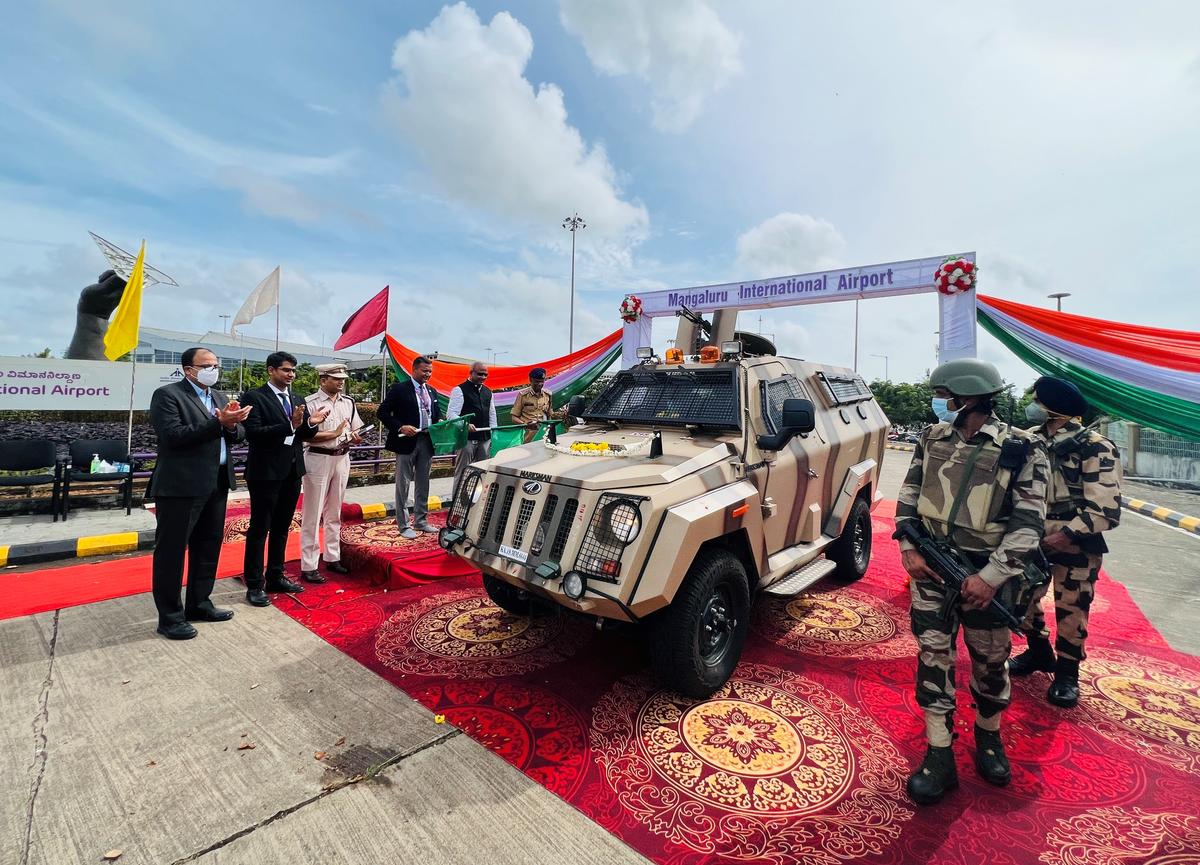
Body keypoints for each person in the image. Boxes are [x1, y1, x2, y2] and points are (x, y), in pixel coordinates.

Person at [895, 358, 1048, 805]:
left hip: (988, 580)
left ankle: (988, 737)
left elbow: (1028, 523)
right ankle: (939, 753)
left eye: (944, 394)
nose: (938, 402)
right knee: (933, 655)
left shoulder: (1020, 448)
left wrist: (992, 576)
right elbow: (909, 493)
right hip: (931, 570)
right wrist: (909, 548)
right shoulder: (932, 436)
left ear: (967, 398)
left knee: (990, 662)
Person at [1011, 375, 1122, 708]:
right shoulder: (1028, 440)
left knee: (1072, 608)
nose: (1032, 406)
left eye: (1038, 402)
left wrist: (1066, 535)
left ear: (1052, 409)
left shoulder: (1096, 446)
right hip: (1029, 537)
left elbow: (1106, 508)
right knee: (1021, 599)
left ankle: (1067, 675)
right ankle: (1039, 652)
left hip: (1076, 542)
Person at [147, 347, 251, 639]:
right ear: (187, 369)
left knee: (208, 547)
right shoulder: (168, 395)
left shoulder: (218, 397)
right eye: (206, 365)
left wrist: (230, 425)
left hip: (216, 482)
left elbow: (238, 434)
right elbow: (173, 436)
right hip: (180, 485)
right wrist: (217, 423)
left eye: (216, 365)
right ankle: (169, 616)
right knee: (171, 552)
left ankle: (200, 603)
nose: (213, 370)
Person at [240, 351, 328, 606]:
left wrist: (311, 422)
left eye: (293, 370)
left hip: (291, 471)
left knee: (282, 527)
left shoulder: (297, 398)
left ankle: (275, 575)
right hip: (265, 473)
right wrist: (290, 424)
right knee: (260, 529)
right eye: (286, 370)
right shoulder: (255, 397)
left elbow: (304, 433)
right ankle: (254, 584)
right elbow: (254, 433)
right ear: (271, 370)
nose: (291, 375)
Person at [299, 363, 365, 583]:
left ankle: (332, 556)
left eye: (342, 378)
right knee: (313, 511)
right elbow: (305, 436)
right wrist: (333, 434)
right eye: (335, 378)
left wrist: (355, 436)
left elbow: (355, 429)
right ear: (322, 379)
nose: (340, 382)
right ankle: (308, 564)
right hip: (318, 458)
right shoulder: (310, 403)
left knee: (335, 511)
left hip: (342, 457)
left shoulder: (348, 402)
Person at [379, 355, 441, 540]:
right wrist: (400, 427)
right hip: (406, 442)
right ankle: (403, 525)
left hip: (427, 441)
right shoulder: (400, 389)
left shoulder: (432, 391)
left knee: (423, 483)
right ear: (414, 370)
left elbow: (436, 415)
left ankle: (421, 521)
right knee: (403, 485)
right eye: (424, 371)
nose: (427, 374)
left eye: (430, 371)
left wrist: (440, 421)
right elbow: (382, 412)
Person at [447, 361, 497, 490]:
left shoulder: (488, 392)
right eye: (480, 374)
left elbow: (492, 414)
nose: (483, 377)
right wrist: (465, 424)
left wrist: (493, 433)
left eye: (485, 375)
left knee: (482, 472)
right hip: (466, 439)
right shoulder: (459, 390)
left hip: (485, 439)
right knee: (463, 472)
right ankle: (457, 504)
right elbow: (451, 414)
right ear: (471, 373)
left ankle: (475, 504)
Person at [510, 367, 567, 444]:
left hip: (544, 435)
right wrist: (526, 425)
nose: (539, 384)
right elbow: (514, 418)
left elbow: (550, 414)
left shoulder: (548, 395)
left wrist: (562, 415)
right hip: (528, 436)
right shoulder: (523, 395)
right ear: (530, 380)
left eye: (542, 381)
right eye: (536, 382)